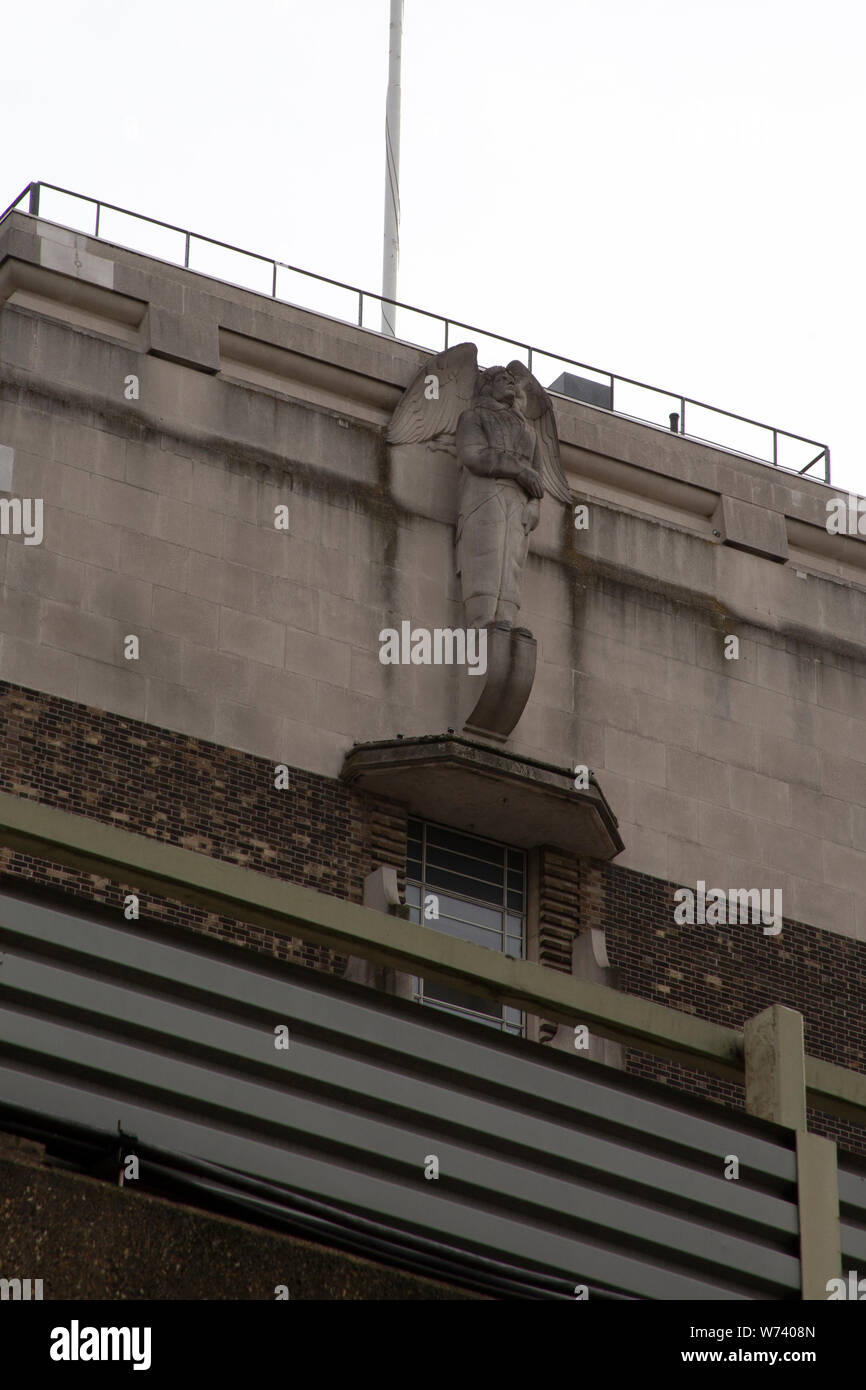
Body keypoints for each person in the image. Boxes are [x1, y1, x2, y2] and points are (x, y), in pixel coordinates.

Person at [455, 366, 544, 629]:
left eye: (510, 380)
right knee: (487, 552)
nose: (509, 383)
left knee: (512, 560)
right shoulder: (473, 417)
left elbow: (538, 476)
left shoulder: (530, 432)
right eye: (502, 379)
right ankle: (481, 620)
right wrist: (518, 470)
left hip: (518, 501)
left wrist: (534, 505)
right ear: (488, 385)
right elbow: (473, 454)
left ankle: (505, 618)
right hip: (485, 492)